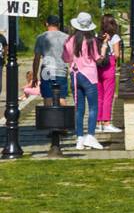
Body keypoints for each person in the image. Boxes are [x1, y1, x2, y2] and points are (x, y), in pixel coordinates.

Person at [63, 12, 105, 151]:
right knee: (93, 107)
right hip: (89, 76)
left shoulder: (69, 40)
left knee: (79, 109)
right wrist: (103, 49)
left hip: (75, 75)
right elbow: (98, 59)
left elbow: (66, 58)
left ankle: (79, 138)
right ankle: (90, 136)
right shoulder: (91, 40)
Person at [31, 16, 69, 106]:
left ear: (47, 23)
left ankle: (48, 119)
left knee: (48, 97)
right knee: (61, 98)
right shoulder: (66, 37)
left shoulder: (41, 37)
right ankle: (64, 119)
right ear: (58, 24)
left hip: (46, 71)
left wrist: (35, 76)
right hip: (61, 70)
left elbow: (36, 58)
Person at [97, 14, 122, 133]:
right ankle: (106, 122)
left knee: (99, 96)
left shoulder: (98, 35)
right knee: (108, 96)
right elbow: (116, 54)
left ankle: (98, 123)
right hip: (109, 65)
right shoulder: (115, 37)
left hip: (98, 66)